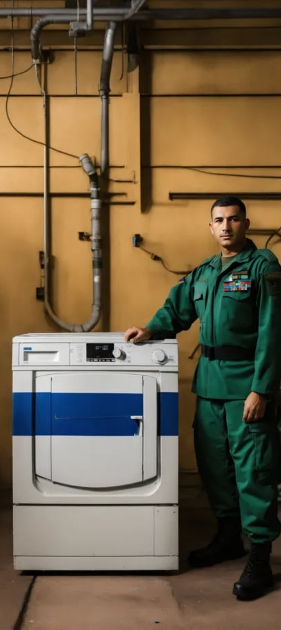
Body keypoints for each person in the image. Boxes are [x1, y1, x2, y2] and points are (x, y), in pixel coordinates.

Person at [125, 195, 281, 601]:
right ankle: (228, 537)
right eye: (218, 220)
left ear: (246, 224)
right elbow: (175, 313)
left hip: (246, 384)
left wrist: (261, 389)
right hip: (208, 384)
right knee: (215, 468)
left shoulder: (263, 267)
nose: (226, 227)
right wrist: (149, 330)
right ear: (210, 227)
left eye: (233, 219)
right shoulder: (206, 272)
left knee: (254, 471)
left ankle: (260, 556)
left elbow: (272, 332)